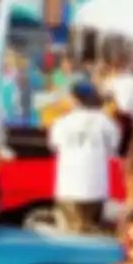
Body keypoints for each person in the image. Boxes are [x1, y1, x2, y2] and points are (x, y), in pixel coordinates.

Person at [48, 81, 120, 233]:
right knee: (92, 234)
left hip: (68, 189)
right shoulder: (106, 122)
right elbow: (113, 149)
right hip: (96, 189)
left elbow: (54, 147)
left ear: (74, 99)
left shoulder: (62, 123)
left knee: (68, 235)